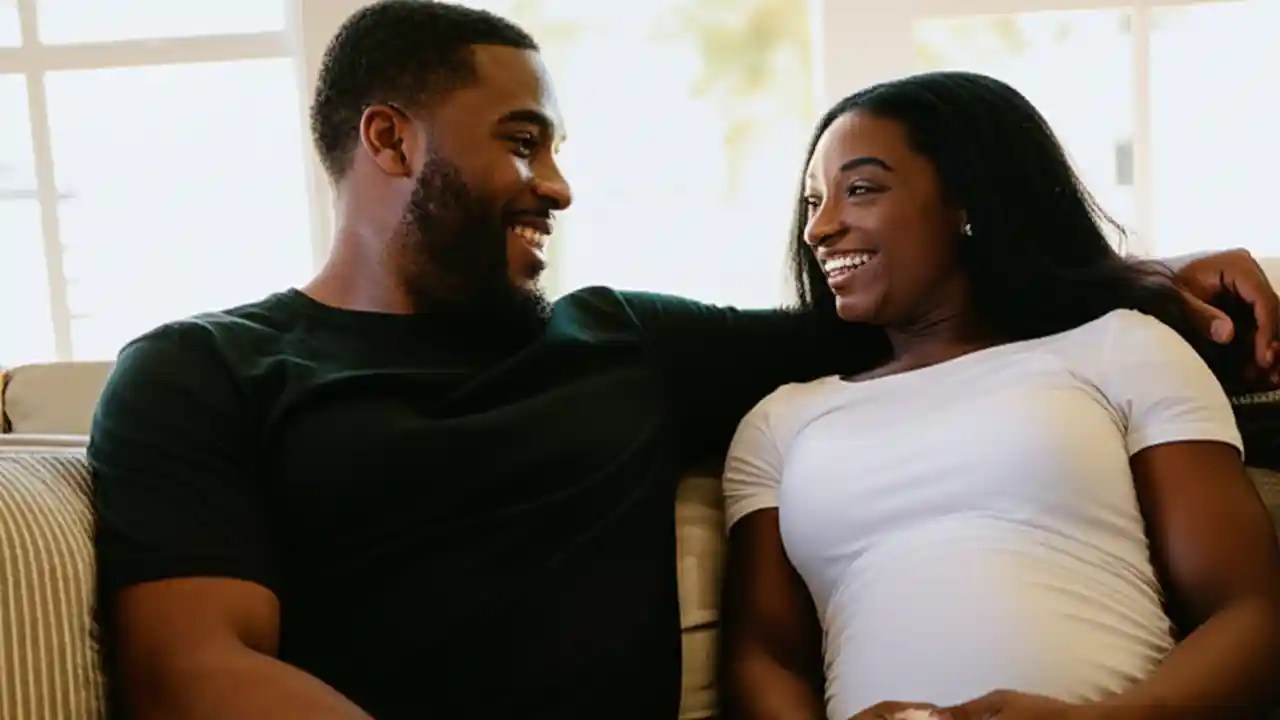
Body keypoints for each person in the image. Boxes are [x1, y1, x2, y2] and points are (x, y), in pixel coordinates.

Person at [87, 3, 1278, 719]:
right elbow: (194, 672)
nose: (557, 185)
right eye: (521, 143)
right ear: (389, 139)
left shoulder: (622, 344)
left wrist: (1143, 274)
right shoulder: (202, 371)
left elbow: (927, 309)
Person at [720, 71, 1280, 720]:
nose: (820, 229)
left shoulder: (1121, 348)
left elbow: (1251, 612)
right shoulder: (781, 421)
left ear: (967, 201)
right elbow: (764, 656)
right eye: (813, 202)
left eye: (861, 190)